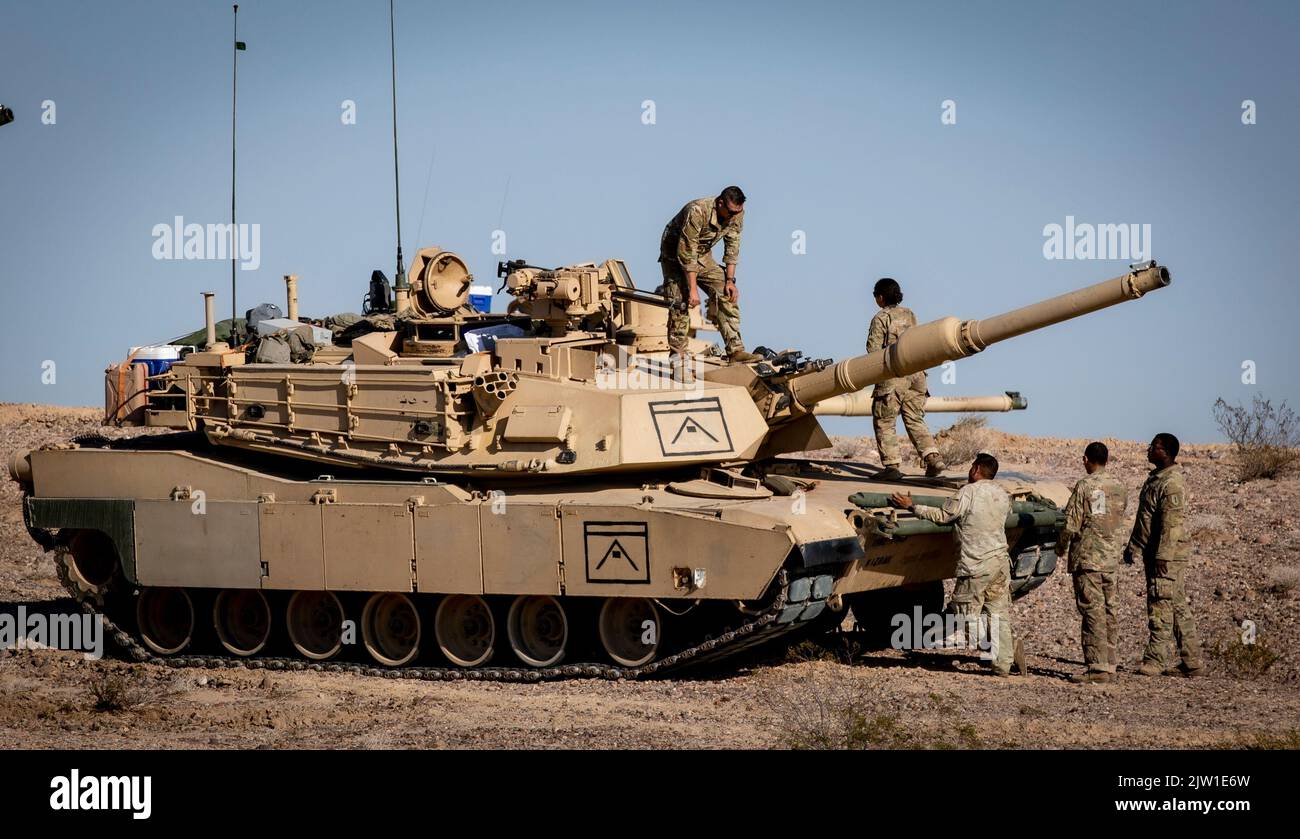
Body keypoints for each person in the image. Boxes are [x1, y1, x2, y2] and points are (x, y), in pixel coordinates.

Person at [890, 453, 1024, 676]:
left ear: (976, 469)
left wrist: (913, 506)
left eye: (972, 466)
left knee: (964, 613)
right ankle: (1003, 662)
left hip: (976, 564)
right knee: (997, 613)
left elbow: (943, 515)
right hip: (1000, 563)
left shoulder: (968, 492)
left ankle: (995, 645)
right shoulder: (1002, 494)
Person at [1125, 433, 1204, 677]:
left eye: (1154, 447)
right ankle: (1192, 662)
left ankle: (1155, 660)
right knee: (1177, 605)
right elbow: (1145, 519)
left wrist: (1163, 555)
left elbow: (1172, 523)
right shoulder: (1156, 479)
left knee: (1159, 603)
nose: (1149, 450)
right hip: (1156, 552)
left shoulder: (1172, 483)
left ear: (1166, 452)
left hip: (1166, 556)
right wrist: (1133, 547)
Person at [658, 187, 761, 371]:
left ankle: (735, 351)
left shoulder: (736, 213)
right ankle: (678, 359)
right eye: (730, 212)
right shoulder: (697, 211)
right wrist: (693, 289)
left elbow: (732, 247)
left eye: (737, 212)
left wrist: (730, 280)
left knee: (725, 291)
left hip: (702, 254)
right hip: (675, 255)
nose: (733, 216)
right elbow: (687, 253)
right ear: (720, 203)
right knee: (680, 303)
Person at [1056, 442, 1128, 684]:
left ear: (1086, 459)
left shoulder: (1084, 486)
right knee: (1110, 610)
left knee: (1092, 611)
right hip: (1110, 559)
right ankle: (1109, 661)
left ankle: (1096, 667)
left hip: (1088, 558)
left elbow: (1071, 523)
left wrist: (1060, 547)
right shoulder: (1119, 486)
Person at [867, 278, 945, 479]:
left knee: (884, 421)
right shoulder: (909, 314)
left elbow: (873, 351)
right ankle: (933, 458)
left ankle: (892, 467)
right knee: (915, 419)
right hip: (917, 374)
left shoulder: (881, 318)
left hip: (893, 375)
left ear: (880, 297)